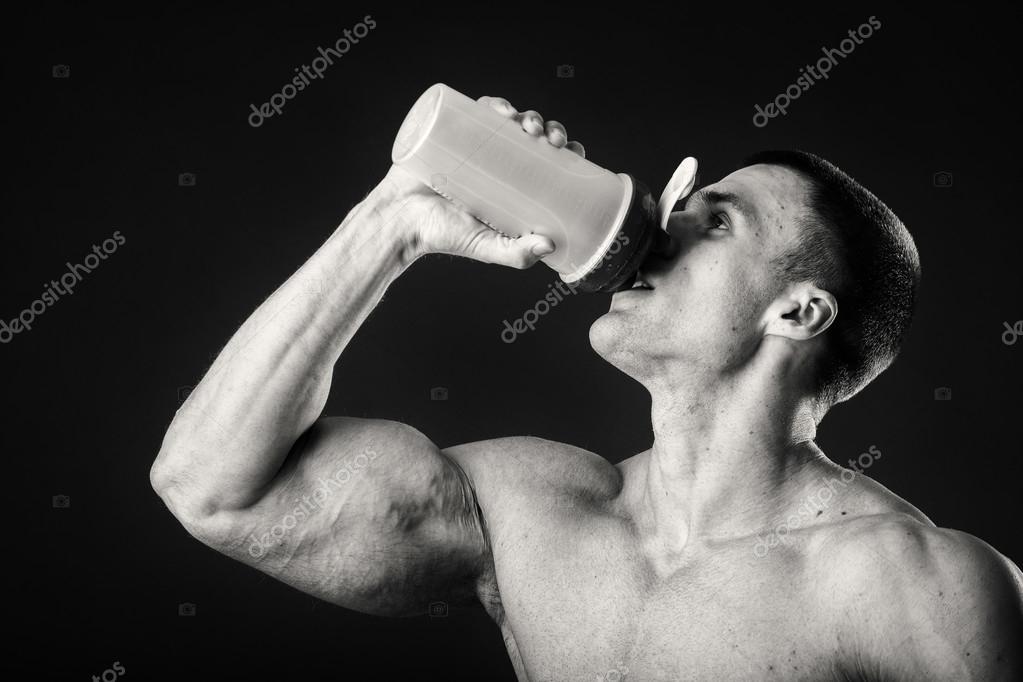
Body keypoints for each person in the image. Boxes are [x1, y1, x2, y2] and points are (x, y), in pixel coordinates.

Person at [151, 94, 1023, 681]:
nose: (659, 230)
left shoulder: (912, 582)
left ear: (796, 311)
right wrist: (392, 222)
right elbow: (214, 488)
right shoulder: (533, 515)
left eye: (715, 222)